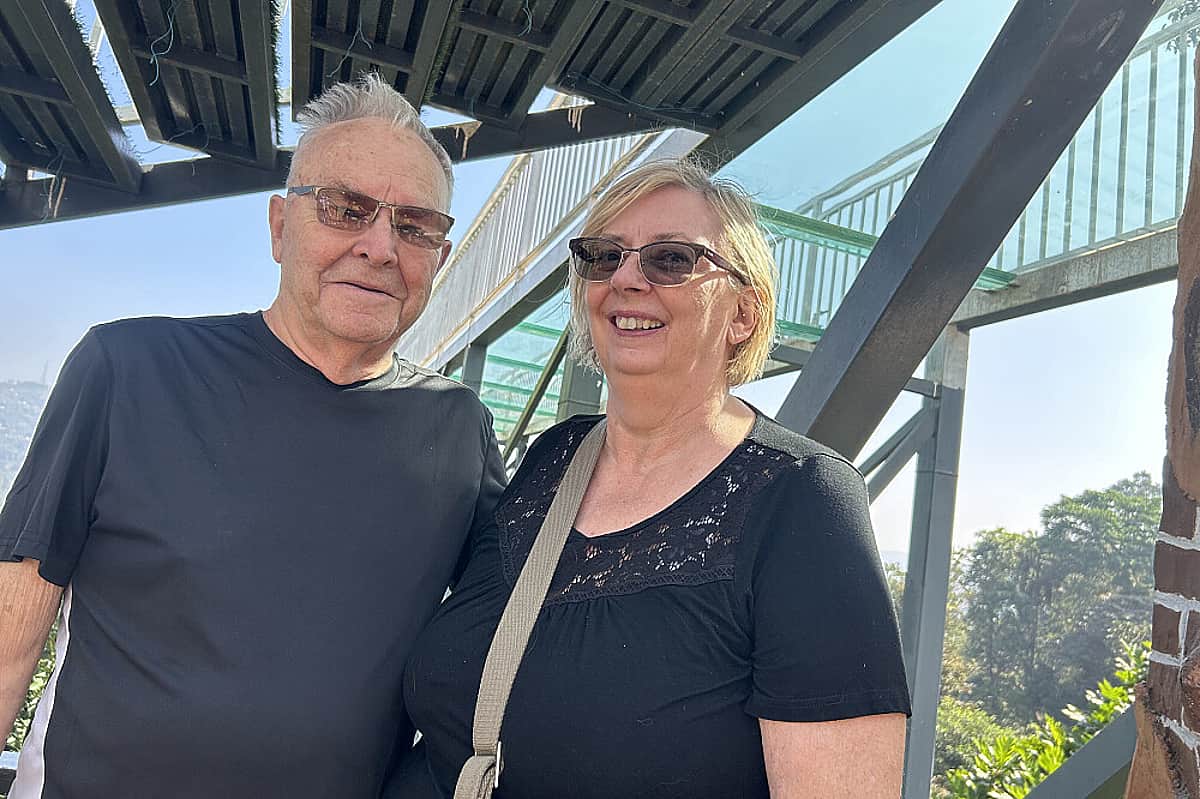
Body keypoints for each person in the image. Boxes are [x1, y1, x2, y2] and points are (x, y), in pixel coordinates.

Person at [0, 73, 505, 799]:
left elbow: (510, 640)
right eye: (344, 207)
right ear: (278, 226)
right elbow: (11, 623)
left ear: (439, 258)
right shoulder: (125, 370)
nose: (378, 246)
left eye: (415, 225)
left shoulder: (460, 430)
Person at [396, 159, 910, 797]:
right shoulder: (553, 457)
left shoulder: (803, 498)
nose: (626, 278)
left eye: (670, 259)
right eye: (603, 256)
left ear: (744, 314)